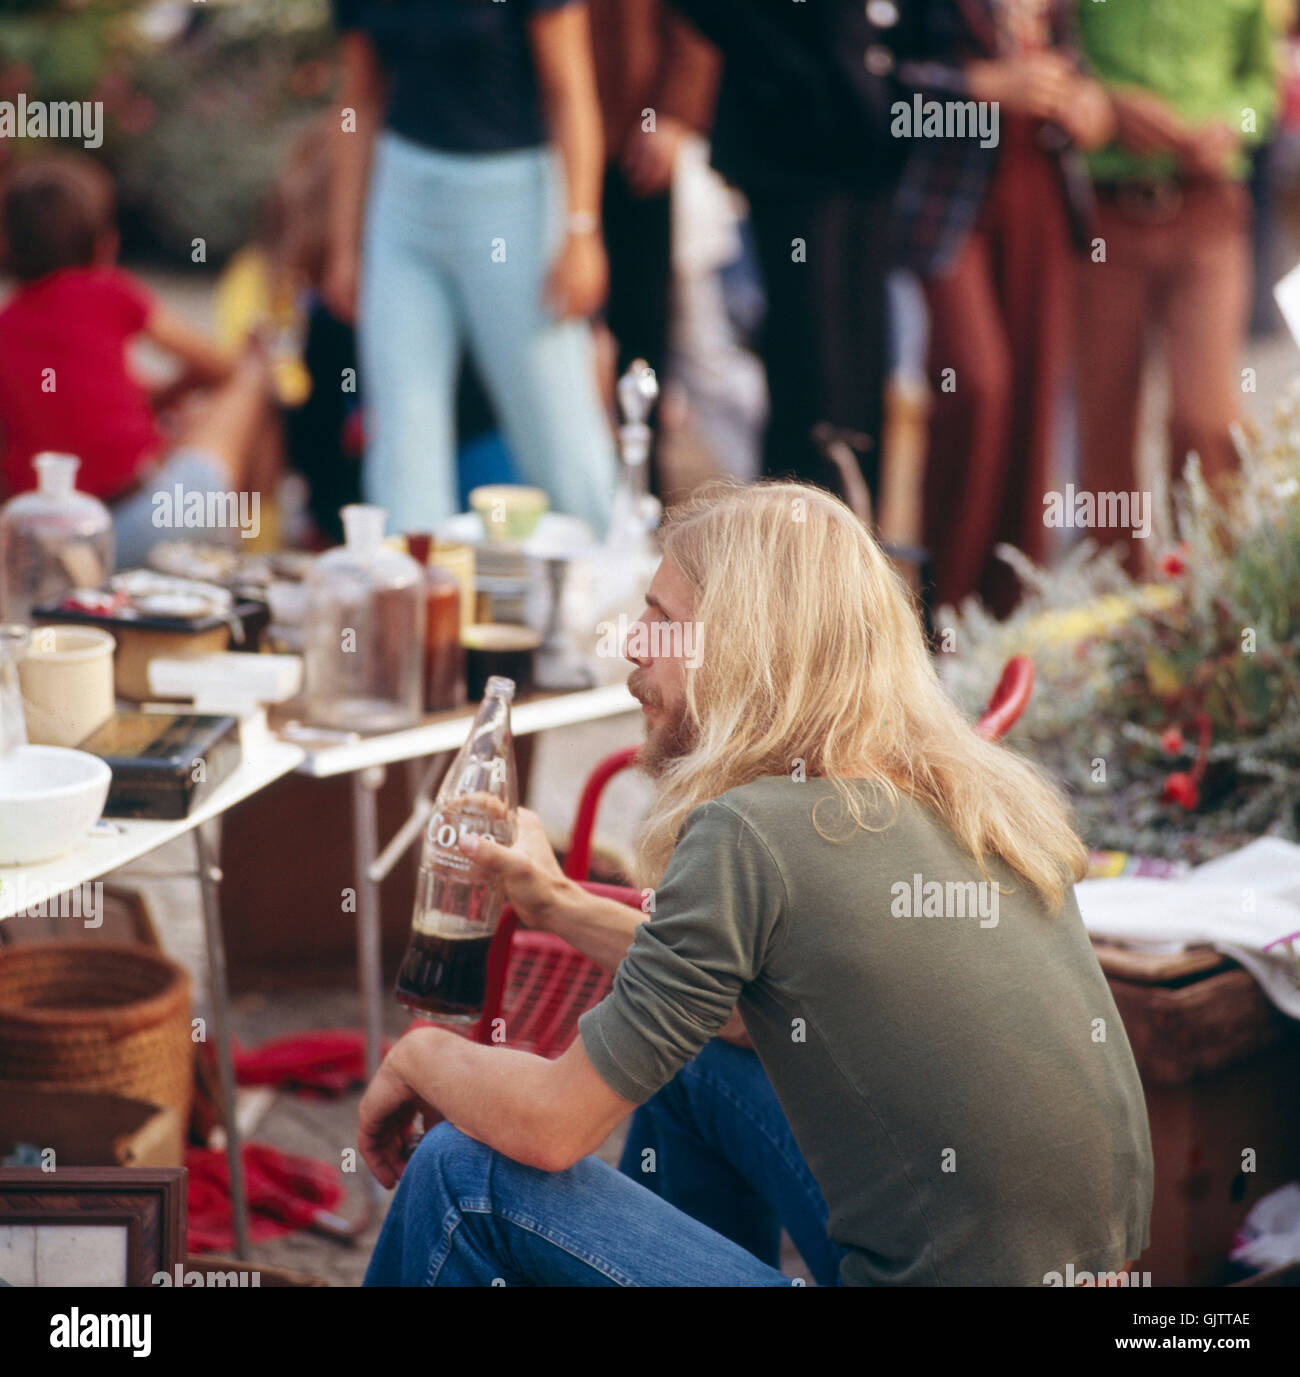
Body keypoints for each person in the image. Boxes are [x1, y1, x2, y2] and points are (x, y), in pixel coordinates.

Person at [359, 482, 1153, 1287]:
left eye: (662, 620)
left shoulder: (752, 829)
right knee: (691, 1065)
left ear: (743, 644)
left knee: (462, 1175)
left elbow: (552, 1126)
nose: (631, 642)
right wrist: (557, 901)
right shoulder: (966, 790)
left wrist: (422, 1055)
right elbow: (730, 1006)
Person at [326, 0, 618, 537]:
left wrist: (581, 232)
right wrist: (344, 245)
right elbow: (359, 100)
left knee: (556, 426)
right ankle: (413, 602)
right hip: (402, 197)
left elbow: (571, 94)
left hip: (512, 202)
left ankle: (611, 591)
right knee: (401, 432)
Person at [894, 0, 1114, 615]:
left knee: (1033, 405)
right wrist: (982, 86)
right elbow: (886, 89)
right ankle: (942, 609)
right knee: (977, 383)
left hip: (1040, 193)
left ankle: (1008, 613)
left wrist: (1087, 107)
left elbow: (1081, 84)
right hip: (953, 207)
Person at [667, 0, 906, 505]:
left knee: (863, 380)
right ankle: (790, 560)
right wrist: (804, 83)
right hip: (794, 152)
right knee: (811, 376)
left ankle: (854, 557)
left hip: (873, 150)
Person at [1075, 0, 1279, 575]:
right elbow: (1059, 53)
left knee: (1206, 419)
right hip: (1105, 217)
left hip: (1207, 213)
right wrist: (1109, 106)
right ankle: (1113, 617)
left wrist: (1230, 123)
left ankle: (1207, 599)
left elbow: (1261, 85)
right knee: (1107, 426)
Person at [0, 155, 272, 568]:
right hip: (156, 523)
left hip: (61, 554)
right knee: (252, 376)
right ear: (105, 245)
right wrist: (170, 394)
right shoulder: (111, 292)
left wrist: (152, 401)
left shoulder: (7, 326)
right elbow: (220, 368)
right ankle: (249, 551)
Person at [587, 0, 720, 498]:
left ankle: (637, 490)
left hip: (632, 139)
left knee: (641, 327)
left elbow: (699, 22)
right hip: (534, 142)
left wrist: (674, 113)